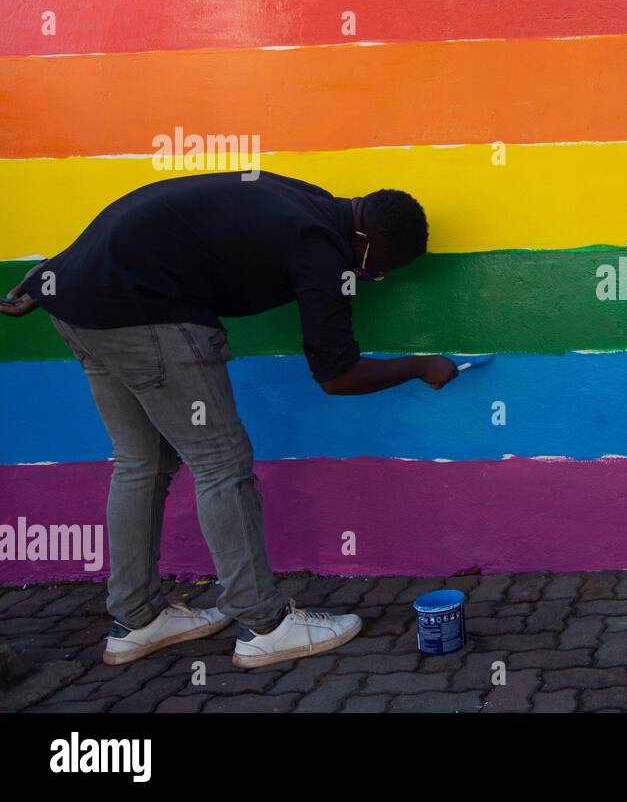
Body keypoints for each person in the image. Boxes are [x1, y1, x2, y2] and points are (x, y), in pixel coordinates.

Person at [0, 171, 462, 669]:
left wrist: (51, 274)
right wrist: (421, 365)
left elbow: (161, 202)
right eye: (379, 269)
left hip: (75, 300)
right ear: (367, 240)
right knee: (220, 462)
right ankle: (265, 624)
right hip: (144, 314)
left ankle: (137, 618)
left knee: (142, 461)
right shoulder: (319, 249)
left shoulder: (304, 200)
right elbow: (337, 374)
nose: (375, 277)